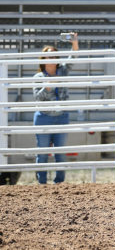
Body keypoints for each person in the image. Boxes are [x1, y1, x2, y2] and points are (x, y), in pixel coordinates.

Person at [32, 33, 78, 184]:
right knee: (42, 153)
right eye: (48, 56)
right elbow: (38, 98)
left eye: (54, 56)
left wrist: (75, 42)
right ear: (43, 59)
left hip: (61, 116)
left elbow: (74, 57)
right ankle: (42, 183)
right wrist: (49, 87)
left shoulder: (63, 71)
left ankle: (59, 183)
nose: (51, 59)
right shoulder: (38, 77)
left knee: (60, 153)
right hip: (44, 117)